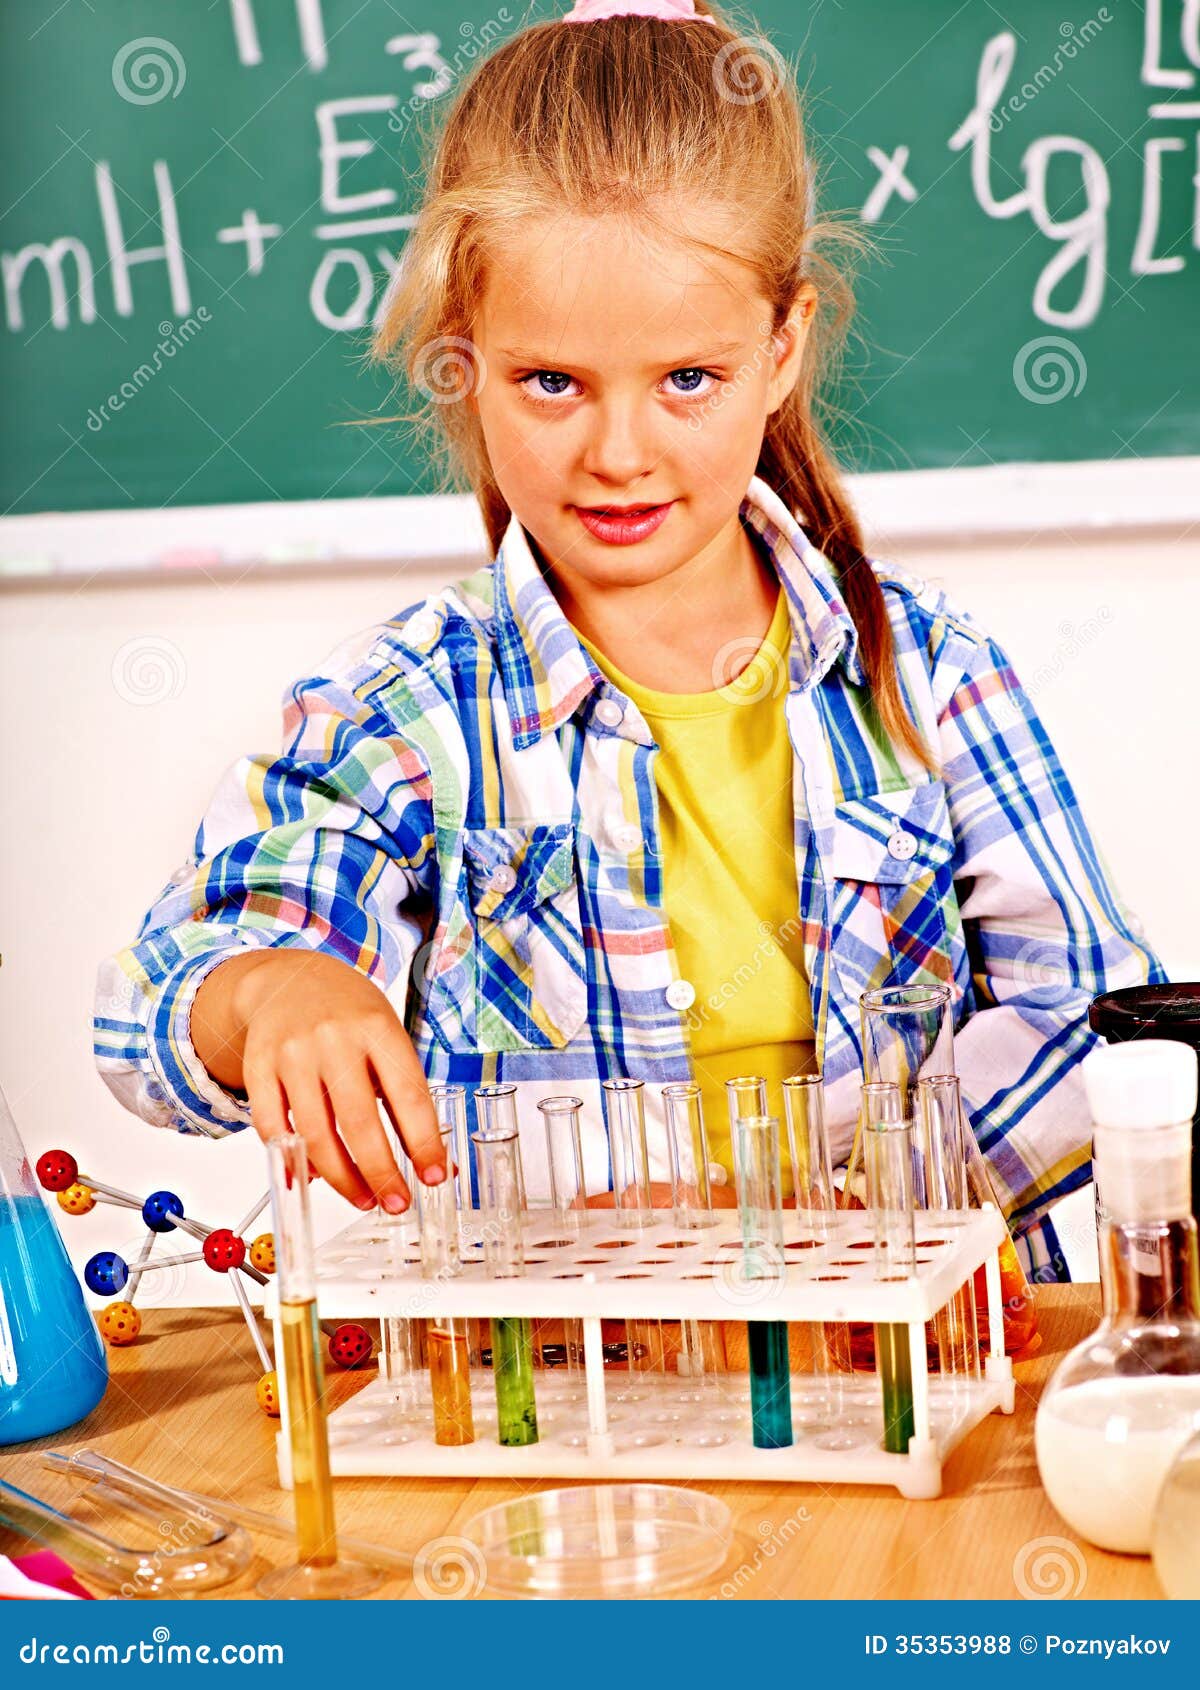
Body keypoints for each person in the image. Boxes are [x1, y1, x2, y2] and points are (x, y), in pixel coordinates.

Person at [93, 0, 1162, 1280]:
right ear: (465, 364)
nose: (618, 453)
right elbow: (150, 1007)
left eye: (687, 381)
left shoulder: (929, 676)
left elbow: (1107, 1029)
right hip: (554, 1412)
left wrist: (842, 1211)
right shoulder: (409, 712)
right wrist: (269, 992)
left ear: (781, 349)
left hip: (908, 1390)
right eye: (551, 382)